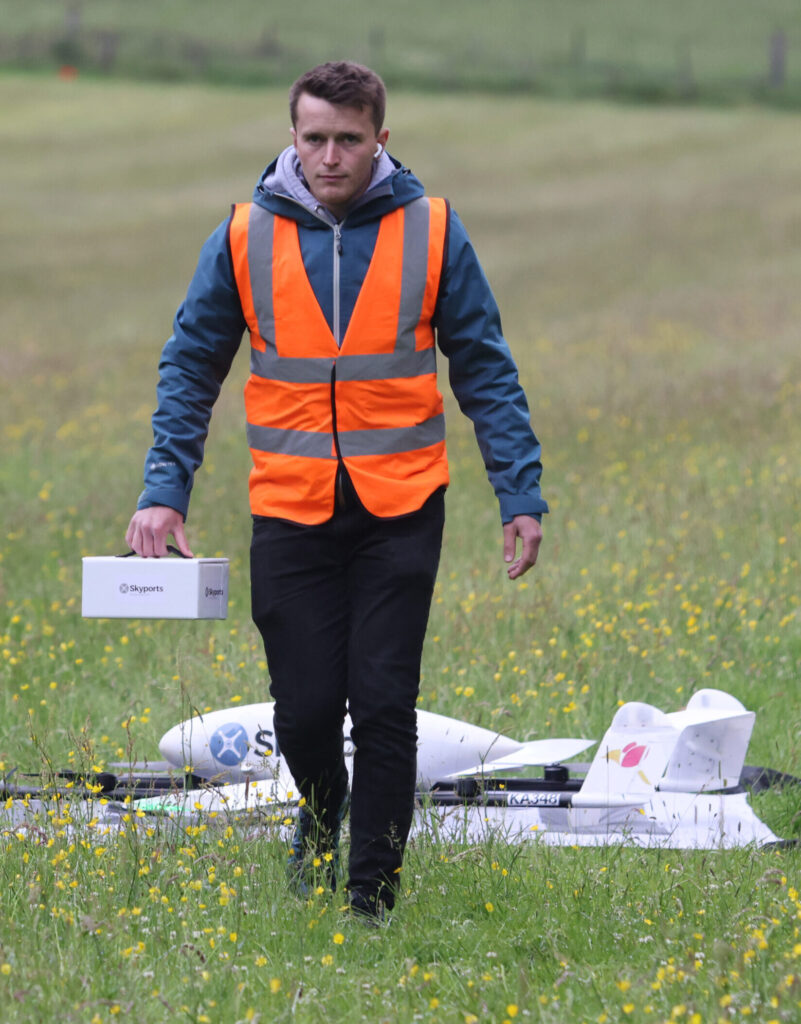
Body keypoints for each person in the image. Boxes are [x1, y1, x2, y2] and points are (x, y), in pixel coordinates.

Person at [126, 61, 547, 922]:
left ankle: (370, 896)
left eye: (348, 140)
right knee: (308, 709)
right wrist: (163, 488)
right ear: (291, 137)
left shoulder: (432, 231)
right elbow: (190, 365)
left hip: (401, 505)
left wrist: (519, 493)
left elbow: (486, 369)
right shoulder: (242, 235)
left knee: (384, 704)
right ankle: (319, 825)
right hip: (288, 506)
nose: (329, 156)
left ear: (380, 140)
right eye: (313, 138)